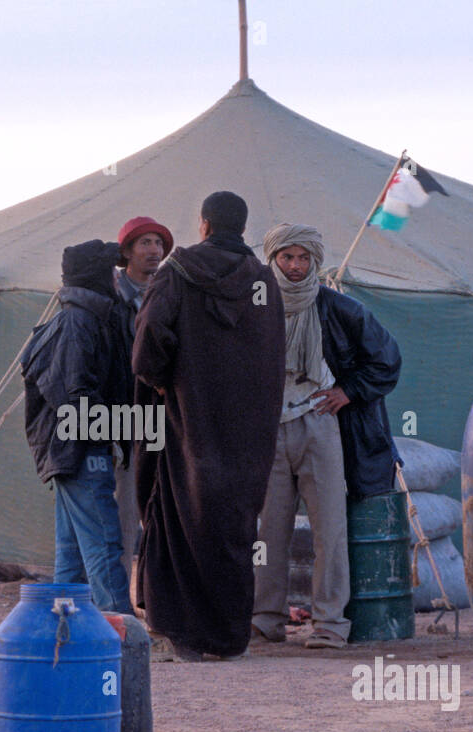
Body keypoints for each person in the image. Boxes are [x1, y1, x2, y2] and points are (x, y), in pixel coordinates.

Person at [132, 192, 285, 660]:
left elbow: (148, 346)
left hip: (187, 424)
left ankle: (185, 632)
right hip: (249, 431)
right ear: (242, 227)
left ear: (203, 225)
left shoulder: (175, 273)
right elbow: (272, 353)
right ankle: (228, 636)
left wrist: (161, 383)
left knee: (182, 521)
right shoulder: (263, 280)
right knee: (236, 527)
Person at [252, 223, 403, 649]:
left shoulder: (340, 308)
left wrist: (348, 391)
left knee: (330, 530)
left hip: (319, 424)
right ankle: (266, 620)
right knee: (269, 532)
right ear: (272, 259)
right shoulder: (255, 307)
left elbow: (386, 359)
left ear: (315, 260)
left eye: (303, 258)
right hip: (269, 428)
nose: (295, 266)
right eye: (287, 257)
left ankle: (330, 623)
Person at [21, 239, 135, 613]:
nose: (119, 277)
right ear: (98, 276)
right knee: (103, 542)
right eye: (112, 271)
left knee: (71, 554)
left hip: (73, 450)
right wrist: (117, 432)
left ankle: (67, 632)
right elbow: (73, 394)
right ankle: (122, 632)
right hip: (81, 450)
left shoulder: (88, 318)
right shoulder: (78, 322)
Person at [112, 216, 173, 604]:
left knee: (159, 507)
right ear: (127, 251)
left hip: (161, 414)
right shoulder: (109, 295)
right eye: (145, 243)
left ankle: (153, 595)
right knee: (122, 513)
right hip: (120, 415)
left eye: (158, 243)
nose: (153, 250)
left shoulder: (169, 291)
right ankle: (118, 601)